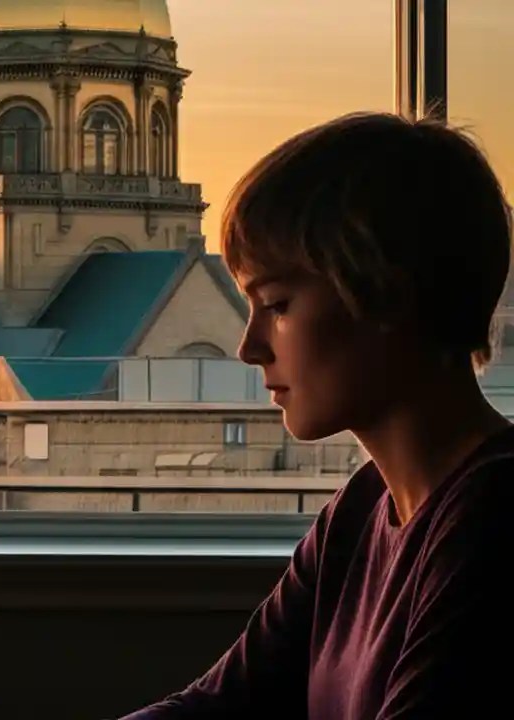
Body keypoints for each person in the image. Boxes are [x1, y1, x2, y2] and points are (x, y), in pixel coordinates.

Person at [120, 112, 514, 719]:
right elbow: (220, 704)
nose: (248, 347)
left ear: (385, 293)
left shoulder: (493, 524)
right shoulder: (362, 507)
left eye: (277, 304)